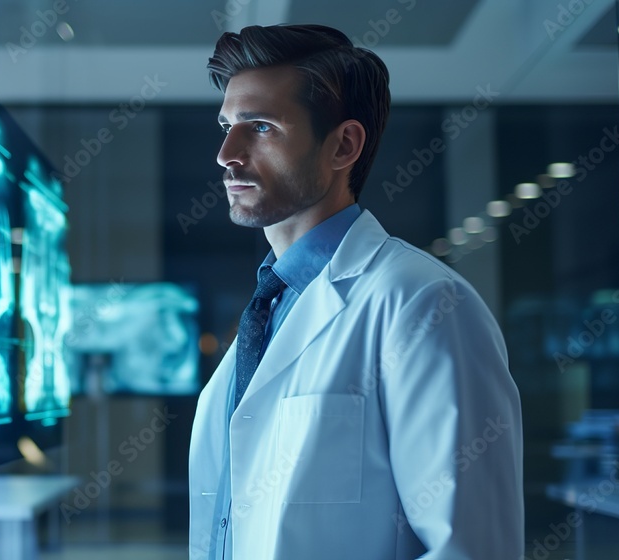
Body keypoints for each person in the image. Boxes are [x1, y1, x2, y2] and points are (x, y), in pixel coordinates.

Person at [188, 24, 524, 559]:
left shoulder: (424, 304)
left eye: (260, 127)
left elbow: (472, 549)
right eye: (227, 126)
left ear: (343, 145)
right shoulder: (269, 308)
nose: (226, 153)